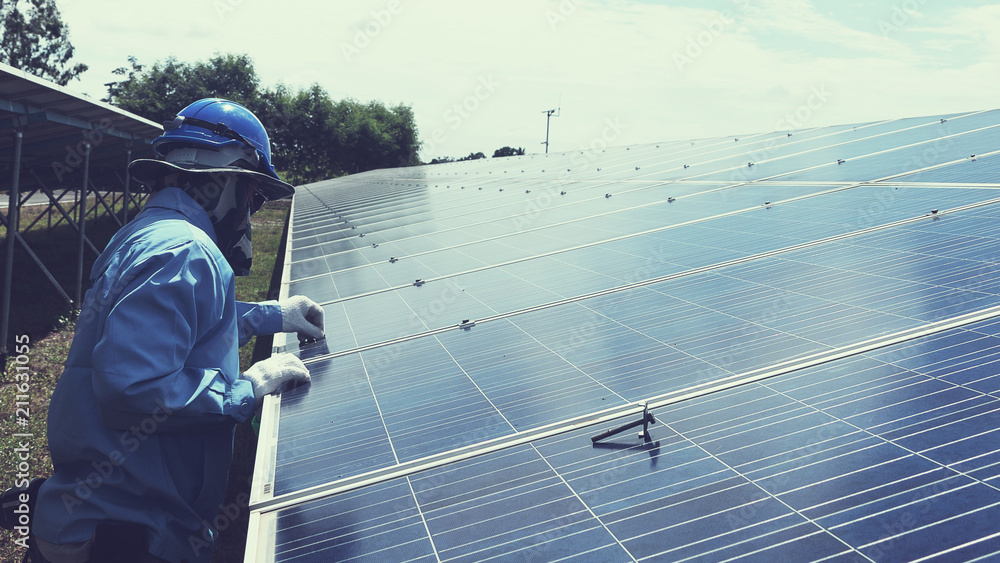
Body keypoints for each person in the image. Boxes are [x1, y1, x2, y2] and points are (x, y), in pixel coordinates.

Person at [30, 98, 324, 563]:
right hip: (125, 535)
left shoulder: (151, 233)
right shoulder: (185, 249)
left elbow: (180, 325)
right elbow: (135, 386)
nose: (251, 213)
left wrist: (273, 314)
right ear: (225, 181)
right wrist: (243, 388)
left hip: (105, 512)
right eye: (254, 194)